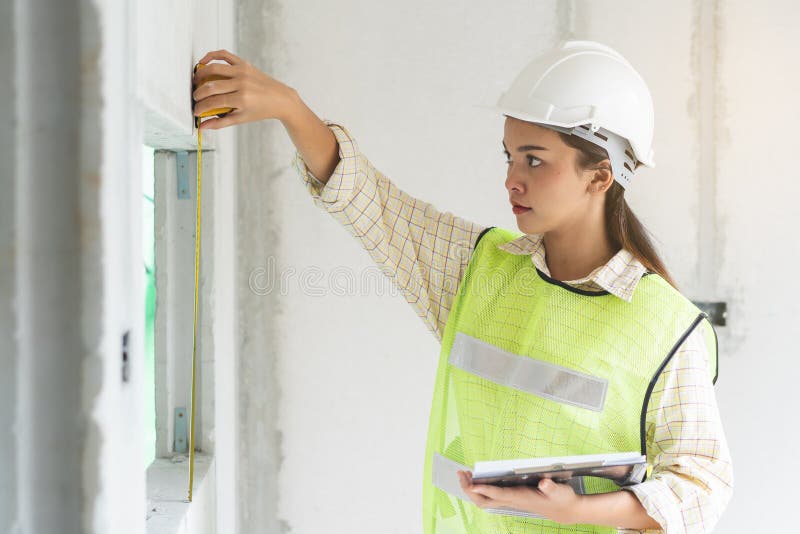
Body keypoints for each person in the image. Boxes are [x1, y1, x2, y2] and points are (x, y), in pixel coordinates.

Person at [191, 40, 733, 533]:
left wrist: (577, 510)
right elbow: (372, 204)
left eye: (535, 160)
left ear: (600, 176)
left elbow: (700, 488)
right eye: (510, 155)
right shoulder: (482, 269)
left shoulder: (668, 328)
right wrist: (290, 108)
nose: (511, 179)